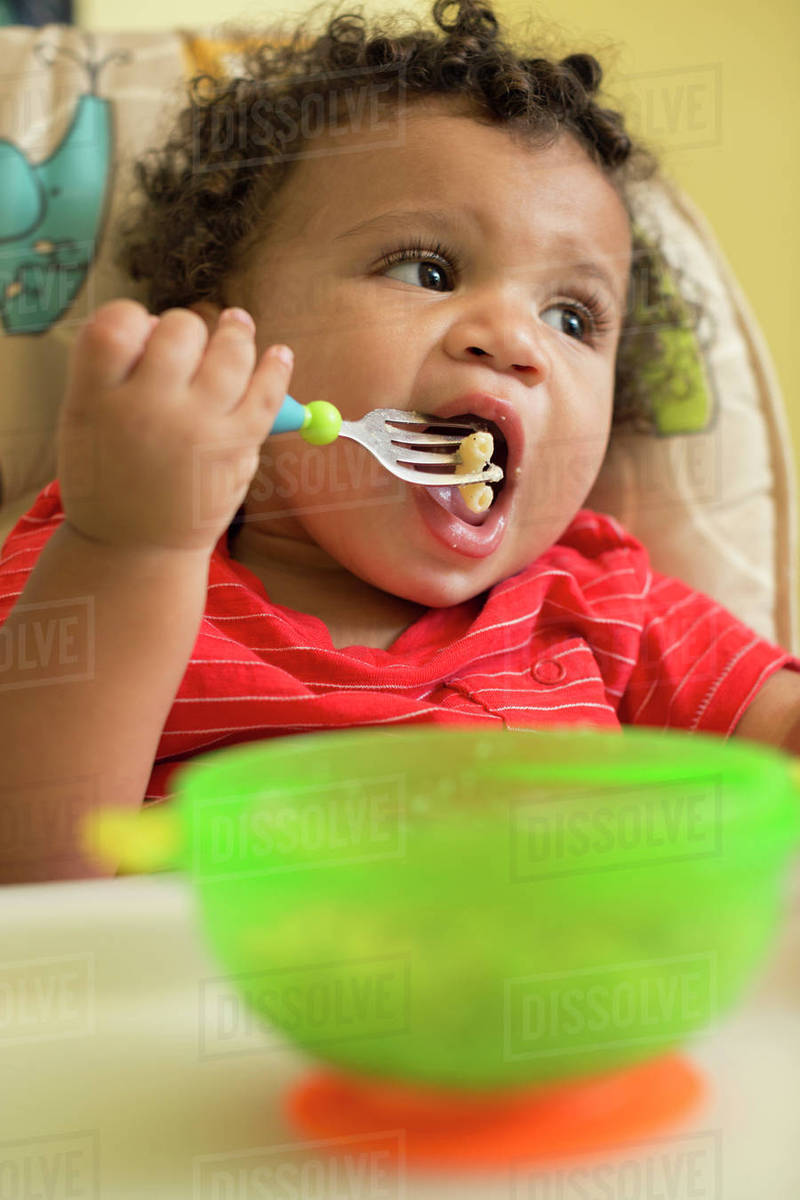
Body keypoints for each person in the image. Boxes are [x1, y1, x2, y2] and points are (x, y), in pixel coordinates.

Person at [1, 0, 799, 884]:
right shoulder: (101, 551)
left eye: (572, 318)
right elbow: (29, 876)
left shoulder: (605, 604)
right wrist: (138, 546)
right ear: (230, 348)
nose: (516, 341)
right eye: (427, 270)